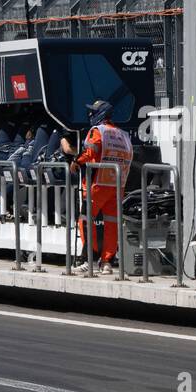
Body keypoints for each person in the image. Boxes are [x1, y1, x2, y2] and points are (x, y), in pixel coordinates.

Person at [61, 100, 133, 275]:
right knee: (111, 223)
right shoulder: (123, 134)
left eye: (93, 112)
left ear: (100, 114)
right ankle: (107, 262)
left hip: (97, 185)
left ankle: (90, 259)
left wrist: (76, 161)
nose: (90, 115)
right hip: (117, 185)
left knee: (85, 219)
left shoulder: (97, 131)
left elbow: (91, 151)